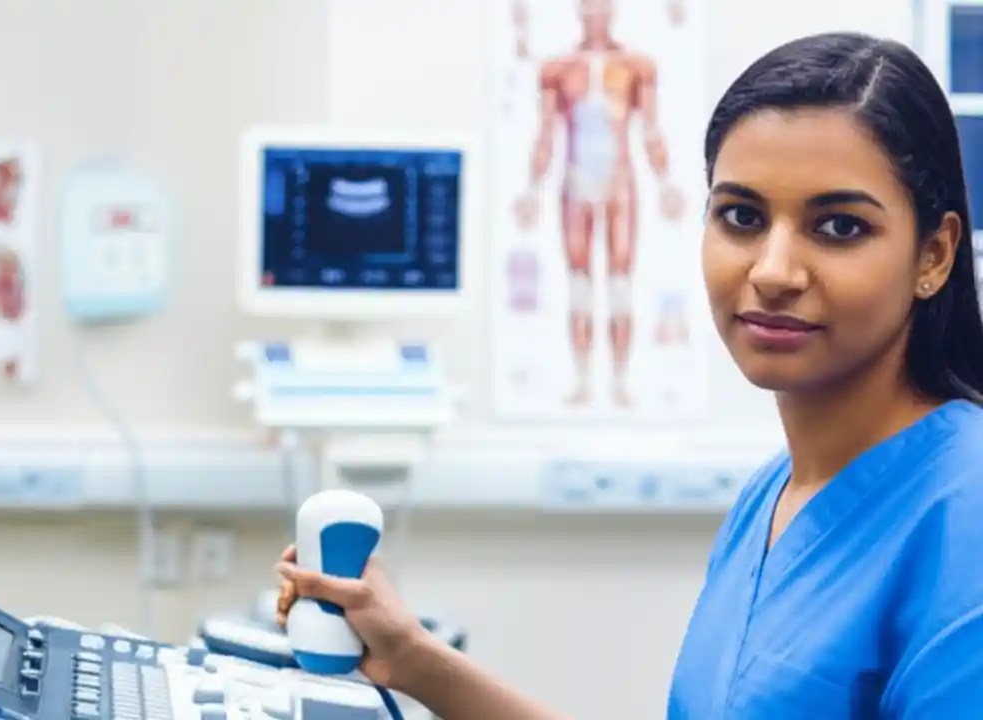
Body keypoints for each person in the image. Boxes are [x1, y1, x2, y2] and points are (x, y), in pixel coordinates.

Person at [275, 32, 983, 718]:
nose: (772, 272)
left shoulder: (964, 512)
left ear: (935, 256)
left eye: (838, 228)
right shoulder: (772, 497)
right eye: (741, 216)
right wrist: (413, 659)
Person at [515, 0, 685, 408]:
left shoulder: (636, 66)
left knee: (621, 282)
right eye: (588, 6)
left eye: (602, 6)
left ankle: (620, 380)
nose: (595, 12)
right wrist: (532, 189)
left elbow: (650, 130)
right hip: (575, 180)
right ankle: (583, 379)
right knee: (579, 284)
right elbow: (545, 135)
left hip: (619, 182)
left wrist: (665, 183)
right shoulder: (558, 69)